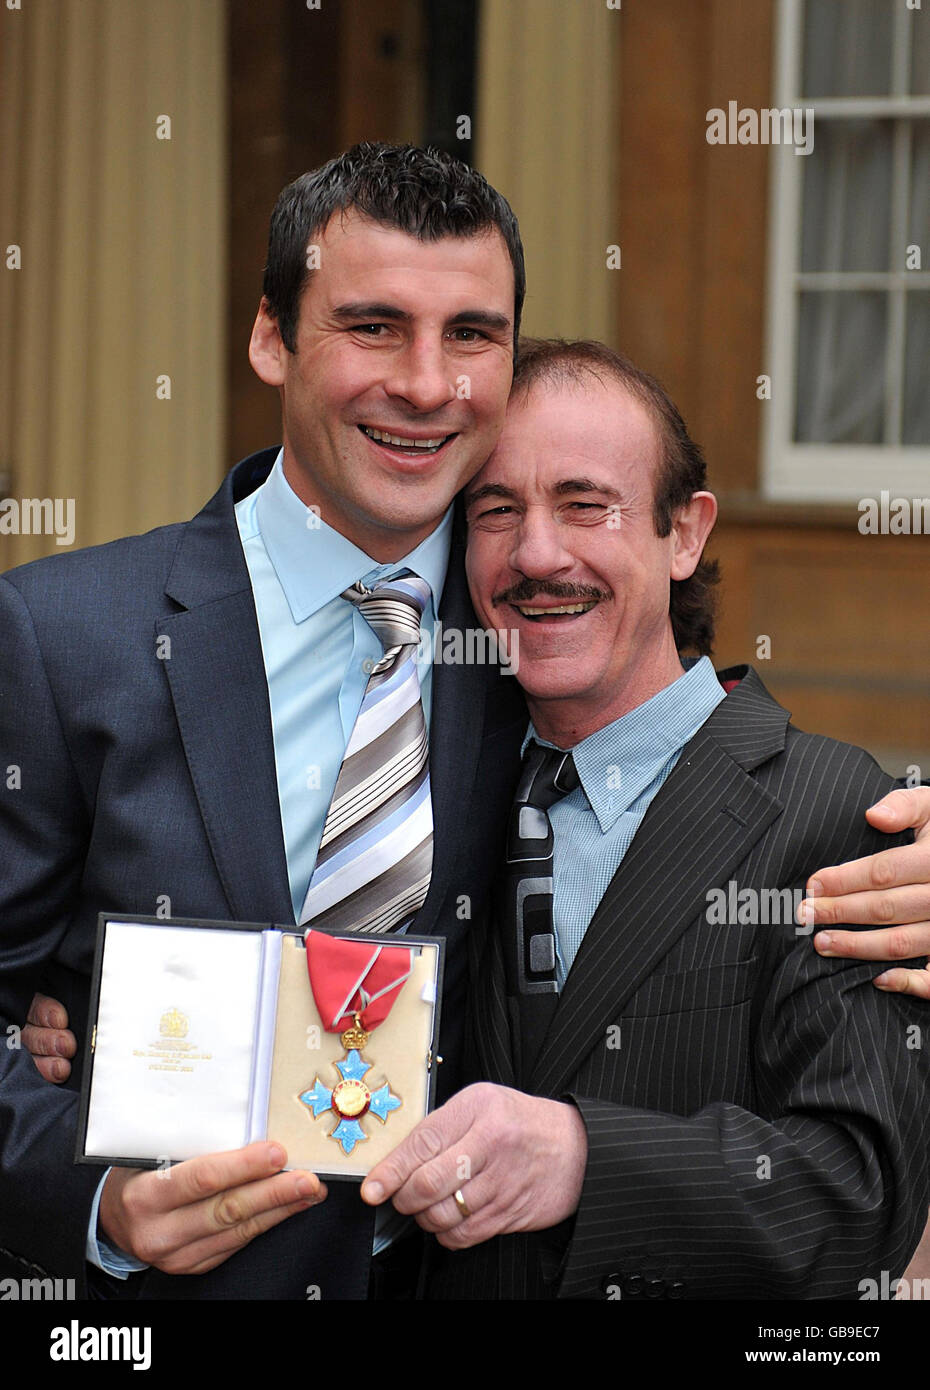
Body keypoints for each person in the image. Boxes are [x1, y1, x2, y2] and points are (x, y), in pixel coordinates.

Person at [6, 146, 930, 1300]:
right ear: (270, 339)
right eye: (374, 326)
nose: (428, 383)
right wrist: (88, 1194)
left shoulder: (534, 647)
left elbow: (708, 772)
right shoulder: (64, 635)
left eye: (473, 336)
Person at [359, 339, 930, 1300]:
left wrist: (588, 1160)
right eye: (497, 511)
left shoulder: (838, 812)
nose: (538, 554)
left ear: (684, 533)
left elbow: (859, 1200)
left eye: (586, 504)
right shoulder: (423, 792)